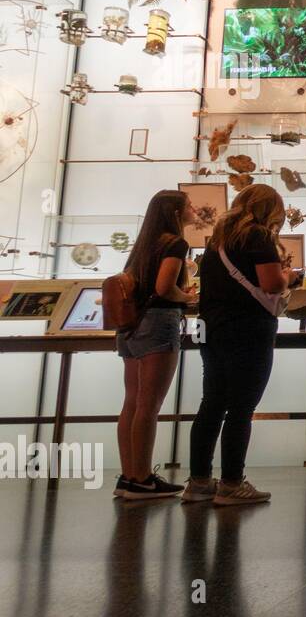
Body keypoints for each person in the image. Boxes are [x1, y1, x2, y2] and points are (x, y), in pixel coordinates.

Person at [182, 184, 299, 505]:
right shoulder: (258, 237)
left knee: (212, 404)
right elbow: (272, 283)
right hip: (247, 329)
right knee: (241, 407)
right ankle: (232, 483)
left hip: (211, 328)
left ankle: (199, 482)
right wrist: (289, 275)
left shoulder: (219, 240)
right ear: (269, 210)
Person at [114, 190, 197, 500]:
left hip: (130, 328)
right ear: (176, 213)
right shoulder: (175, 243)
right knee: (150, 405)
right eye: (188, 205)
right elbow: (164, 287)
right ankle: (144, 478)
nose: (193, 209)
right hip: (159, 324)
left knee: (132, 402)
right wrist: (188, 297)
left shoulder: (144, 244)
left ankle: (129, 476)